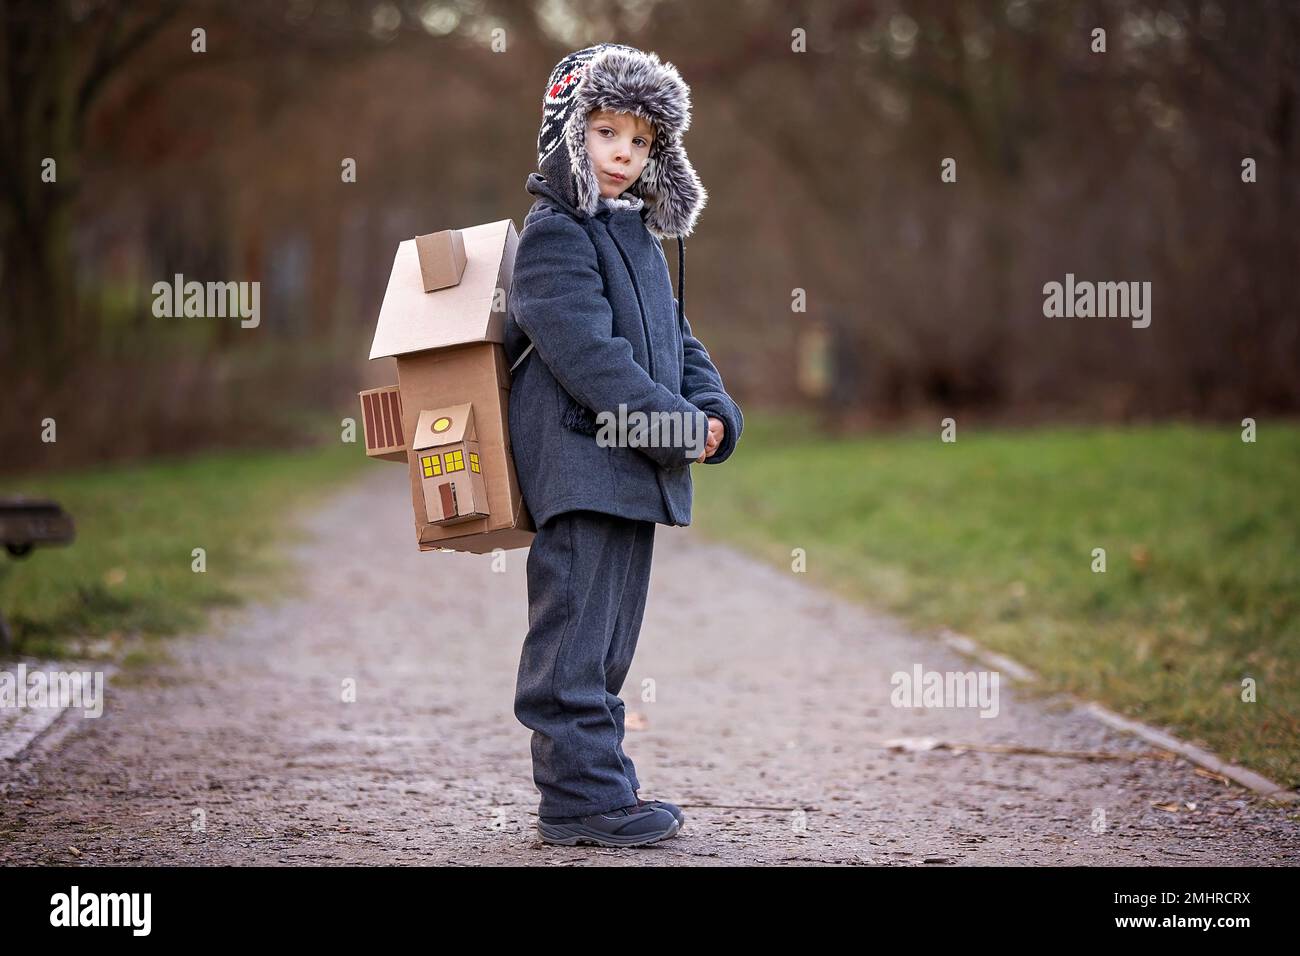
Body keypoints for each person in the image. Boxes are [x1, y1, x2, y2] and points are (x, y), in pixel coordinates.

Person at [504, 42, 743, 847]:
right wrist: (676, 428)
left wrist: (712, 409)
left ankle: (599, 786)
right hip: (579, 462)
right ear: (569, 134)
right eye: (606, 132)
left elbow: (677, 341)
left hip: (631, 470)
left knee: (607, 646)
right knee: (572, 639)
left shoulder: (636, 236)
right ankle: (578, 801)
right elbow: (590, 357)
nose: (623, 154)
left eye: (641, 142)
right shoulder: (554, 234)